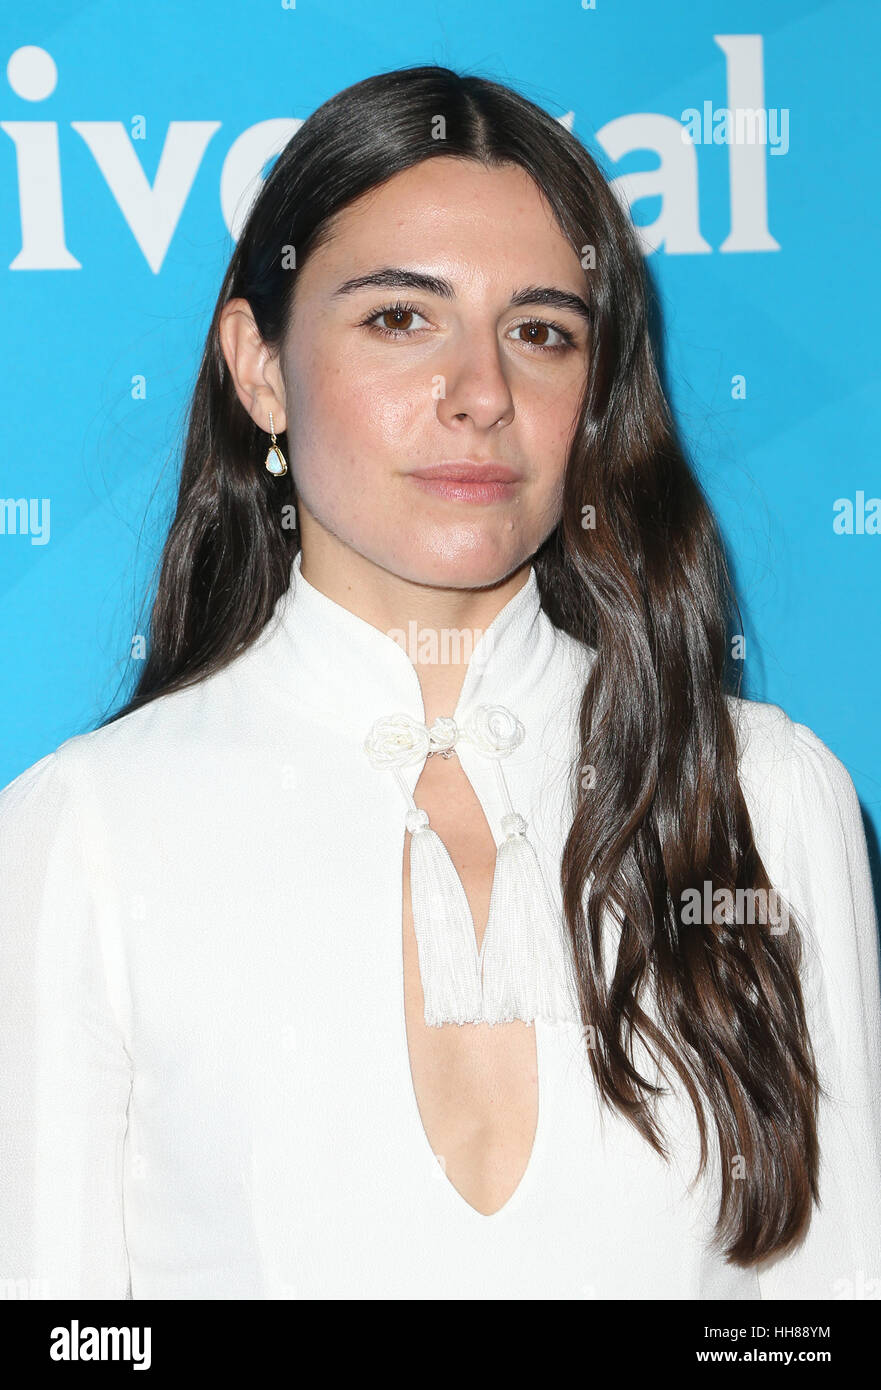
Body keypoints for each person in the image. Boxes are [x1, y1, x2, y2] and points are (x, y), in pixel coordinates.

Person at [1, 64, 879, 1301]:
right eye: (398, 319)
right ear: (257, 368)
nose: (479, 395)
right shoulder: (84, 833)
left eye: (539, 331)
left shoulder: (764, 798)